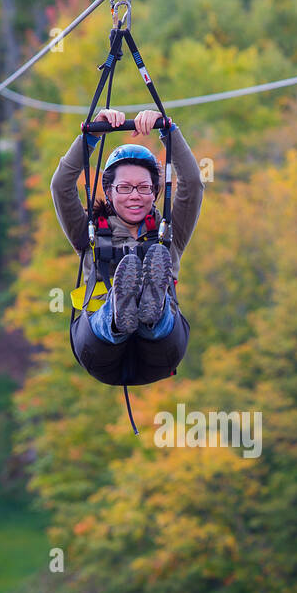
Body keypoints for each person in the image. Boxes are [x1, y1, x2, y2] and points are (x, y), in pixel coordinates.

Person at [51, 107, 203, 387]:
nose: (135, 196)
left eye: (144, 188)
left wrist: (169, 133)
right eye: (125, 188)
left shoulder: (170, 231)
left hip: (161, 350)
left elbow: (192, 185)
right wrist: (91, 135)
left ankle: (151, 311)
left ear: (155, 193)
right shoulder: (88, 233)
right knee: (109, 316)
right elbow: (62, 186)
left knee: (158, 306)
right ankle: (119, 312)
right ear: (108, 193)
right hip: (98, 347)